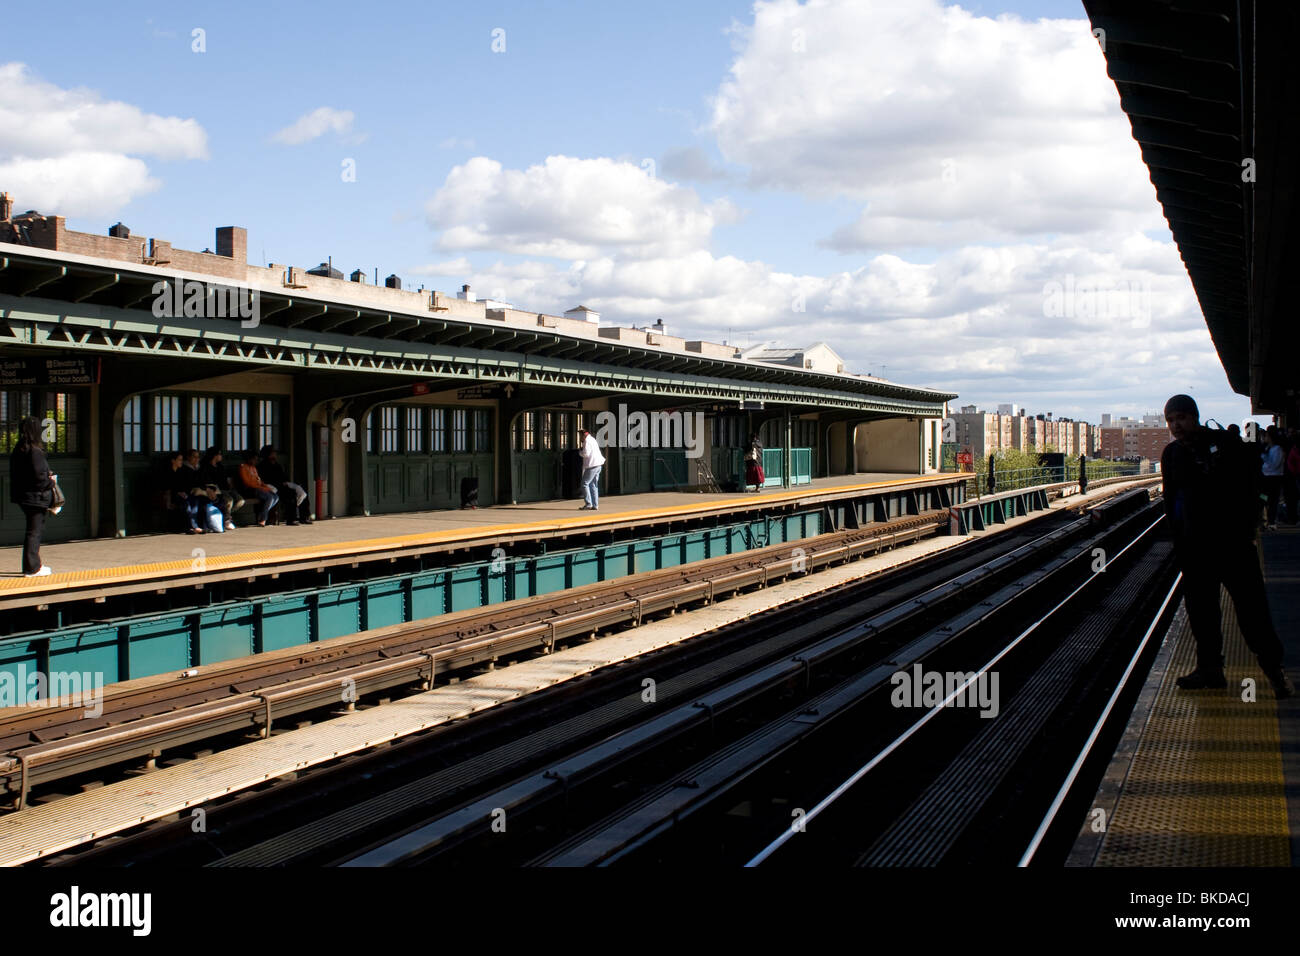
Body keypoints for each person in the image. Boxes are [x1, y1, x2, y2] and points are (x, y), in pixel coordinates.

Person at [1161, 395, 1292, 697]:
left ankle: (1275, 670)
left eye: (1181, 417)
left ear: (1194, 416)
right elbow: (1171, 502)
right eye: (1170, 420)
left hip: (1233, 546)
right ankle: (1210, 669)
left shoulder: (1227, 444)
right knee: (1201, 613)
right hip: (1195, 550)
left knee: (1252, 613)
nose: (1176, 425)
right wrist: (1178, 541)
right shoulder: (1172, 455)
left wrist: (1249, 525)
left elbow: (1252, 485)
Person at [9, 416, 53, 576]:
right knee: (35, 531)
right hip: (36, 497)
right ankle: (32, 567)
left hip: (23, 496)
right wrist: (51, 483)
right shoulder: (35, 451)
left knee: (32, 530)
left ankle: (32, 565)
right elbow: (40, 477)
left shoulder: (19, 449)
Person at [258, 445, 312, 525]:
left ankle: (304, 517)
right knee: (291, 496)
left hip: (282, 485)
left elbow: (283, 476)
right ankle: (291, 519)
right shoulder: (262, 466)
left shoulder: (277, 465)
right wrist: (281, 483)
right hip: (273, 488)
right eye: (273, 453)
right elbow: (265, 479)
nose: (275, 455)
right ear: (268, 454)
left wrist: (287, 483)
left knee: (303, 494)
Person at [199, 447, 240, 530]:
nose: (221, 456)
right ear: (215, 456)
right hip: (216, 490)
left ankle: (225, 515)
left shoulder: (220, 466)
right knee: (229, 500)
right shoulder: (206, 467)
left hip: (226, 488)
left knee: (240, 500)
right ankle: (226, 521)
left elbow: (225, 479)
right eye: (220, 454)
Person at [237, 450, 279, 527]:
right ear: (249, 459)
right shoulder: (243, 467)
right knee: (269, 497)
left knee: (275, 497)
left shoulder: (253, 468)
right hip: (249, 489)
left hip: (258, 488)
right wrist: (261, 487)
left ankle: (262, 513)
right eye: (255, 459)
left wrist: (265, 486)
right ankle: (263, 519)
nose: (256, 461)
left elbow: (258, 480)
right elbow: (247, 482)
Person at [1260, 426, 1284, 530]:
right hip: (1266, 478)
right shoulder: (1267, 448)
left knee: (1272, 500)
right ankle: (1266, 519)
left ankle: (1271, 521)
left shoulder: (1277, 449)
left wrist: (1264, 457)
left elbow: (1275, 464)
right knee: (1263, 498)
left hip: (1274, 478)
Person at [578, 428, 605, 511]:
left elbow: (586, 454)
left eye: (580, 436)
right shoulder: (592, 439)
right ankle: (595, 505)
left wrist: (580, 452)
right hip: (598, 464)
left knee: (584, 484)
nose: (580, 438)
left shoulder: (587, 441)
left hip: (592, 465)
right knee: (593, 485)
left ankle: (588, 504)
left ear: (583, 435)